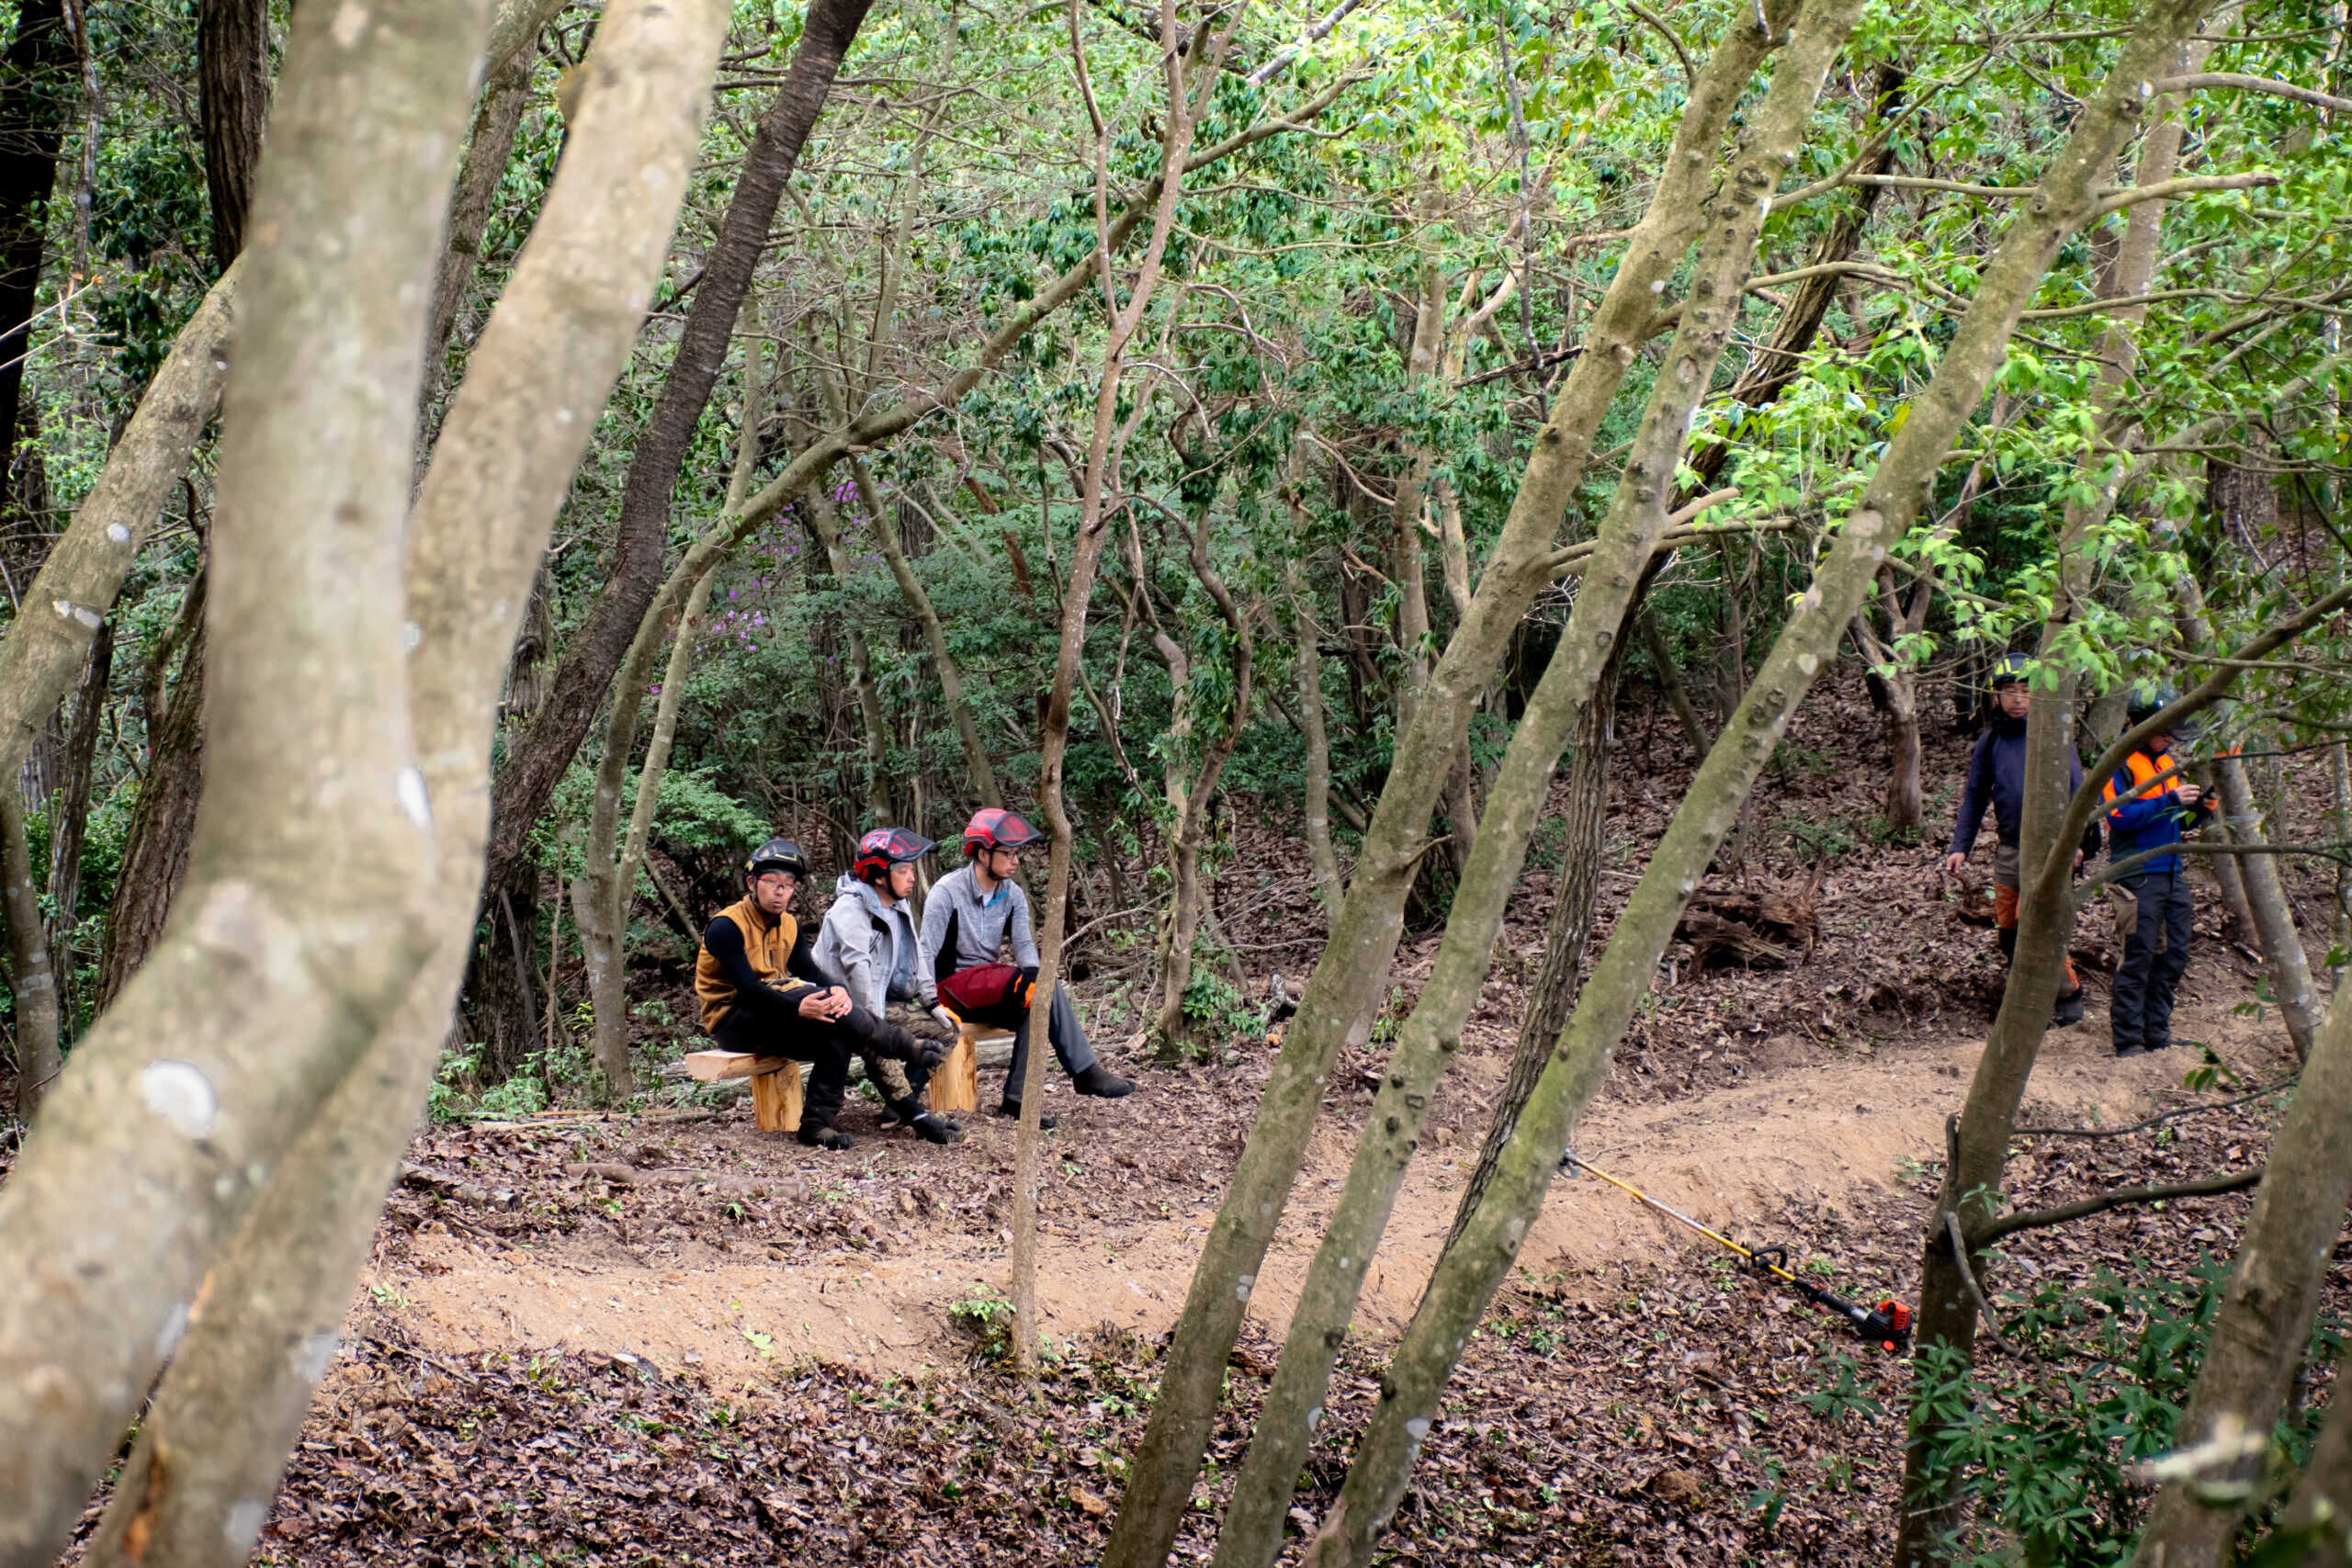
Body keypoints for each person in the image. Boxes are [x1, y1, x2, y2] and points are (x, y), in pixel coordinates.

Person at [695, 838, 943, 1151]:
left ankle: (816, 1125)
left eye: (789, 884)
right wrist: (800, 1010)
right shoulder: (726, 926)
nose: (781, 891)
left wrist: (836, 989)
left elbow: (809, 971)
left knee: (835, 1034)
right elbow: (749, 990)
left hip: (774, 1013)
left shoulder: (788, 924)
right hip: (734, 1019)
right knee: (812, 1001)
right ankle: (901, 1044)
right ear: (752, 883)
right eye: (772, 882)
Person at [916, 807, 1135, 1124]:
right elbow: (925, 953)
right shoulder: (947, 892)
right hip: (947, 991)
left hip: (987, 991)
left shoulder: (1013, 895)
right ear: (981, 853)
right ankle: (1085, 1071)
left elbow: (1024, 946)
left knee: (1039, 1000)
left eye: (1017, 853)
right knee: (1037, 986)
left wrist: (1035, 977)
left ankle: (1017, 1101)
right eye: (1007, 853)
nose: (1015, 860)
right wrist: (929, 1002)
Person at [1941, 653, 2096, 1026]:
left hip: (2050, 850)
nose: (2018, 699)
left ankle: (2066, 997)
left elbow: (2081, 793)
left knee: (2036, 926)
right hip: (2009, 848)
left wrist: (2080, 845)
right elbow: (1976, 796)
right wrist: (1960, 845)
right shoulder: (1990, 742)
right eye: (2009, 692)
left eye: (2026, 691)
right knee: (2009, 929)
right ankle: (2029, 997)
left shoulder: (2052, 738)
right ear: (1996, 696)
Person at [814, 827, 963, 1145]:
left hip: (881, 1003)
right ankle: (916, 1116)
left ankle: (897, 1106)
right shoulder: (849, 909)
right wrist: (876, 1026)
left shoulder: (898, 905)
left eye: (912, 870)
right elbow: (858, 968)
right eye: (904, 871)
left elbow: (918, 955)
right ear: (879, 876)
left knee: (948, 1030)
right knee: (880, 1044)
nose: (912, 878)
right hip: (841, 1010)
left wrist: (933, 1002)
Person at [2101, 684, 2216, 1058]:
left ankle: (2157, 1035)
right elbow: (2117, 817)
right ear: (2141, 724)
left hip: (2171, 871)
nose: (2170, 738)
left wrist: (2200, 809)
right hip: (2137, 874)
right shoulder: (2117, 762)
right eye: (2165, 729)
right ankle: (2130, 1041)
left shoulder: (2166, 762)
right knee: (2138, 956)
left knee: (2174, 955)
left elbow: (2173, 823)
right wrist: (2169, 799)